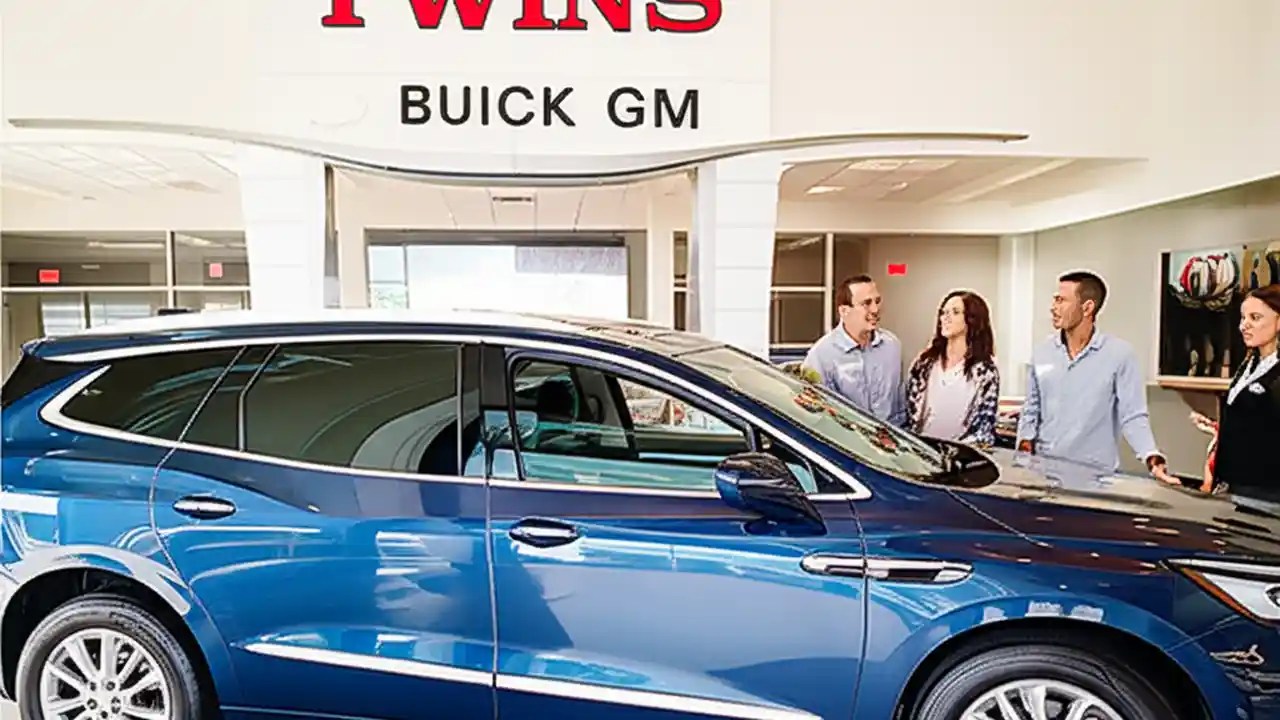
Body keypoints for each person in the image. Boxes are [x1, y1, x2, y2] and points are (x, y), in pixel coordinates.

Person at [1015, 270, 1177, 483]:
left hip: (1095, 481)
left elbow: (1133, 415)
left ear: (1087, 307)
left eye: (1061, 300)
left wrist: (1151, 456)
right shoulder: (1042, 353)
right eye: (1055, 300)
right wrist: (1023, 453)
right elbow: (1031, 410)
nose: (1053, 307)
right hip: (1045, 477)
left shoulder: (1119, 355)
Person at [1204, 283, 1280, 499]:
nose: (1244, 326)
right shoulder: (1248, 365)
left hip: (1267, 493)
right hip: (1234, 487)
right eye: (1243, 318)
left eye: (1255, 318)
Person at [802, 274, 906, 426]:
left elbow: (900, 405)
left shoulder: (892, 346)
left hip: (892, 444)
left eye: (877, 301)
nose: (875, 309)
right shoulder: (821, 355)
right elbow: (815, 414)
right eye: (866, 303)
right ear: (844, 311)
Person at [905, 290, 1001, 446]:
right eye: (944, 313)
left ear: (971, 320)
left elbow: (983, 429)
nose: (946, 318)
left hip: (961, 458)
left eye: (955, 312)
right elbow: (909, 417)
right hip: (923, 453)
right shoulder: (924, 364)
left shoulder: (986, 372)